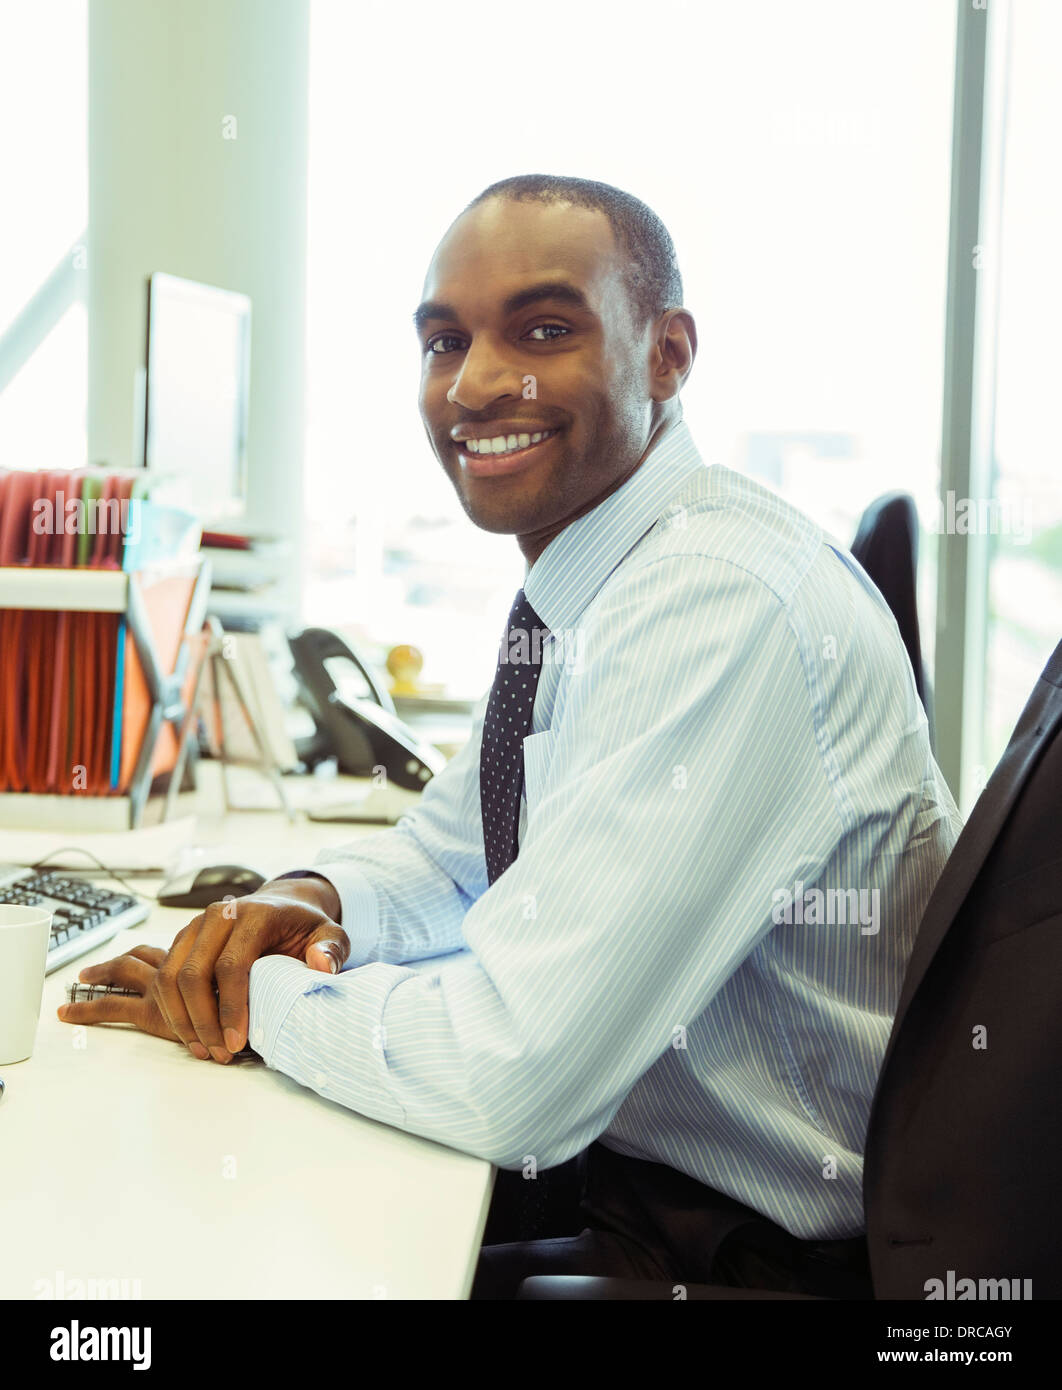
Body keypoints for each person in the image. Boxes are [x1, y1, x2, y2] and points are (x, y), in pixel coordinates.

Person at [60, 175, 962, 1299]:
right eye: (445, 341)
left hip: (773, 1257)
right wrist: (308, 900)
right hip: (651, 1190)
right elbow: (465, 852)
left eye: (544, 329)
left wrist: (252, 1004)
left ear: (668, 353)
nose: (480, 382)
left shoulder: (715, 605)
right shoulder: (597, 579)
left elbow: (514, 1073)